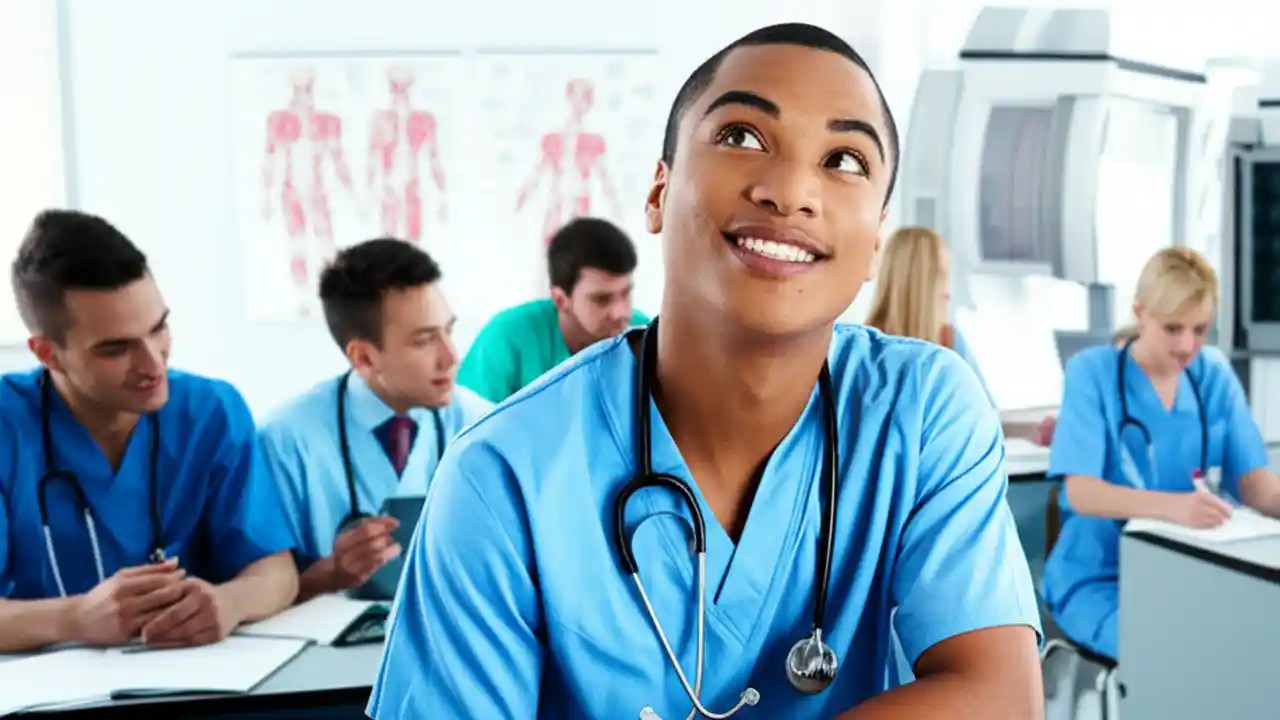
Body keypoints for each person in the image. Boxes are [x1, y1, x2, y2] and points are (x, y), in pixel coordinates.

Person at [367, 23, 1042, 720]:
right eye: (741, 137)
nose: (789, 191)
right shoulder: (505, 472)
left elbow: (999, 699)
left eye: (844, 158)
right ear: (658, 193)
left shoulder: (921, 407)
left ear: (875, 241)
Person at [0, 210, 298, 653]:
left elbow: (275, 570)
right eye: (116, 349)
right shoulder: (8, 425)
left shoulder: (209, 412)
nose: (153, 364)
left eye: (158, 328)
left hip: (192, 685)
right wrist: (75, 617)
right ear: (49, 353)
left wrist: (229, 602)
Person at [1043, 246, 1280, 660]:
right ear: (1140, 313)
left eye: (1200, 329)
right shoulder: (1093, 373)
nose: (1188, 345)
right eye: (1173, 328)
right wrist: (1174, 507)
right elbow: (1082, 493)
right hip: (1101, 578)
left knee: (1248, 646)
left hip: (1191, 574)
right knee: (1172, 655)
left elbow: (1256, 487)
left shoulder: (1214, 375)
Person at [258, 238, 492, 602]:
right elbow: (253, 593)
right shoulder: (286, 441)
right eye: (424, 340)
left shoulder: (480, 425)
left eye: (448, 330)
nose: (451, 356)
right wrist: (331, 573)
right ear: (364, 358)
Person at [865, 225, 1055, 446]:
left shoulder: (950, 341)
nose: (948, 292)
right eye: (942, 277)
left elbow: (982, 417)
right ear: (920, 284)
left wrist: (1031, 431)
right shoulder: (864, 352)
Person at [457, 216, 649, 402]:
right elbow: (468, 428)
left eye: (625, 293)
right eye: (601, 299)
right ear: (560, 299)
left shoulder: (646, 336)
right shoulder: (505, 339)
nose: (620, 313)